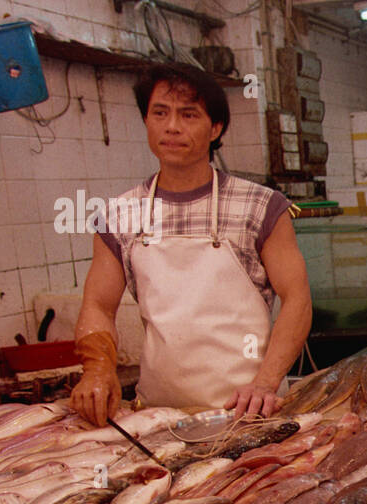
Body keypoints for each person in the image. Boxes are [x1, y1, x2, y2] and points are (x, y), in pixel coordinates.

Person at [70, 63, 312, 425]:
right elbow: (99, 306)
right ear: (146, 121)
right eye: (160, 113)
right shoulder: (118, 216)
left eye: (188, 115)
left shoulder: (261, 207)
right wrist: (97, 368)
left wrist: (265, 383)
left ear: (215, 128)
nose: (172, 126)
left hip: (250, 414)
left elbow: (297, 299)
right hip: (157, 417)